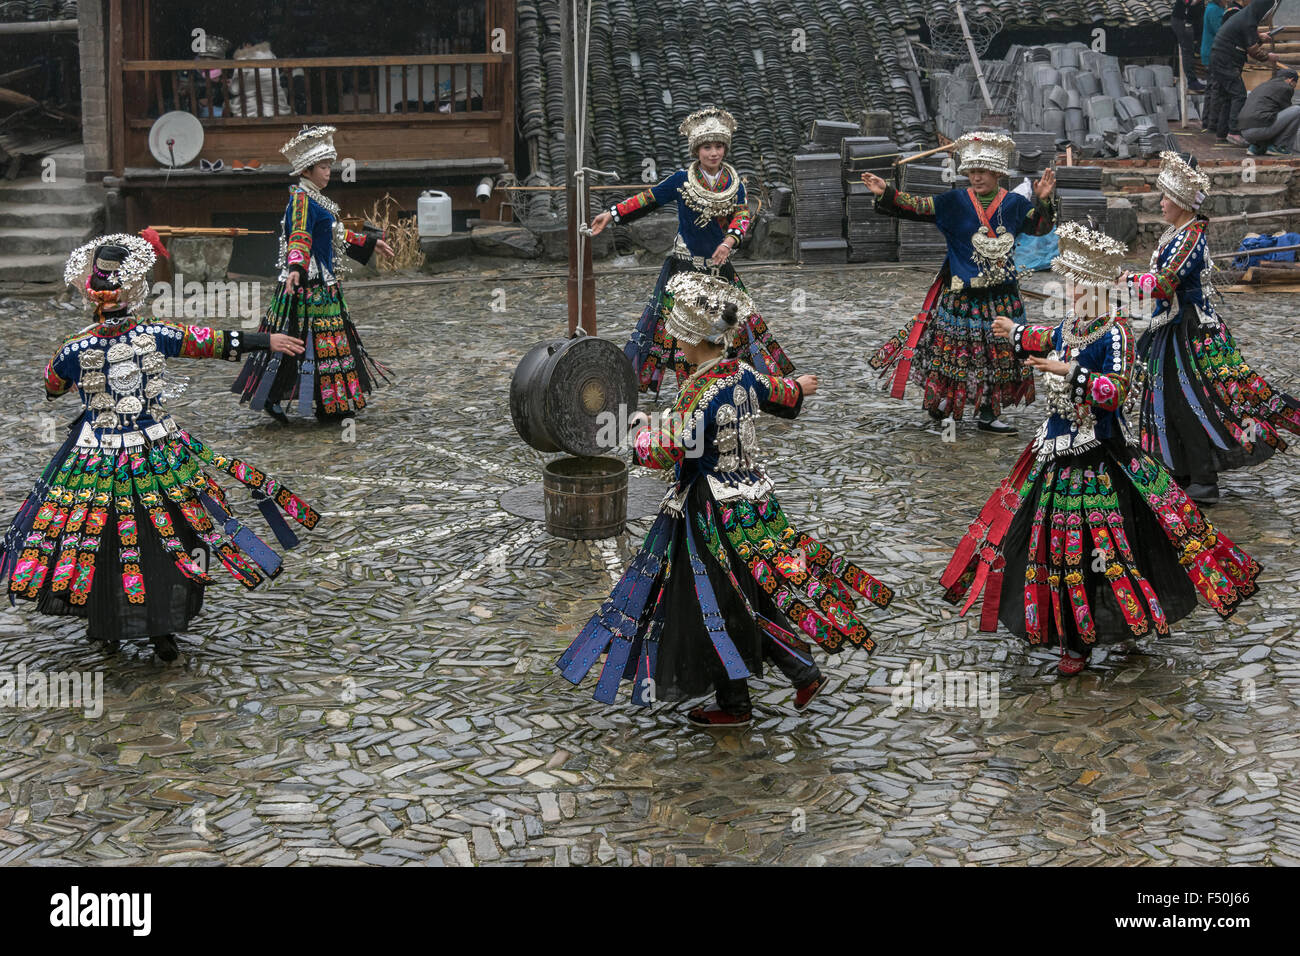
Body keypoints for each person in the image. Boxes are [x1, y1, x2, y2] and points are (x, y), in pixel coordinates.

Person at [557, 272, 894, 727]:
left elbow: (673, 449)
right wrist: (801, 388)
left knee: (716, 598)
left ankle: (763, 689)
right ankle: (769, 686)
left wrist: (637, 435)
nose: (675, 347)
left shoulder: (703, 393)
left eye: (679, 339)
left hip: (710, 512)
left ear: (695, 341)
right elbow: (779, 394)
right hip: (752, 500)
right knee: (740, 591)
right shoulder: (739, 374)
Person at [941, 221, 1260, 676]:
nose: (1070, 292)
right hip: (1055, 452)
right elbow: (1048, 338)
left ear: (1101, 291)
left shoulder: (1116, 335)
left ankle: (1105, 628)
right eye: (1069, 284)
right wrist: (1015, 331)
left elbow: (1116, 389)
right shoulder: (1075, 326)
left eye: (1079, 285)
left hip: (1100, 457)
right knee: (1052, 545)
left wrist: (1070, 373)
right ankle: (1072, 634)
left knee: (1110, 545)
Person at [1, 235, 320, 662]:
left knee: (102, 537)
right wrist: (266, 341)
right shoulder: (155, 334)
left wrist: (78, 380)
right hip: (158, 454)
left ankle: (109, 626)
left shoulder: (72, 348)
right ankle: (162, 629)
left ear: (91, 295)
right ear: (133, 291)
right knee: (163, 534)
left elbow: (51, 386)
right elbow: (211, 341)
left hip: (97, 460)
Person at [1130, 151, 1300, 503]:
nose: (1160, 203)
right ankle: (1182, 469)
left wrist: (1127, 278)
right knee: (1168, 399)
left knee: (1190, 401)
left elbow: (1165, 284)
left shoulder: (1192, 237)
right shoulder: (1176, 233)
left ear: (1180, 201)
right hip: (1170, 328)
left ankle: (1204, 479)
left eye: (1165, 197)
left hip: (1189, 332)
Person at [588, 107, 795, 395]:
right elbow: (648, 198)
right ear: (697, 150)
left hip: (719, 266)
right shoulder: (680, 180)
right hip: (684, 266)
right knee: (681, 329)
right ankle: (691, 388)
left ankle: (757, 384)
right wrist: (612, 214)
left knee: (737, 323)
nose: (714, 153)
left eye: (719, 146)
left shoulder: (735, 185)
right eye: (707, 147)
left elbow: (741, 216)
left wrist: (728, 242)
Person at [864, 131, 1057, 434]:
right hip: (962, 295)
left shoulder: (1016, 204)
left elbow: (1040, 227)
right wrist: (887, 192)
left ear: (997, 173)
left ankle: (989, 412)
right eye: (971, 172)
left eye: (982, 172)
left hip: (1002, 296)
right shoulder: (954, 201)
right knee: (953, 352)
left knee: (998, 354)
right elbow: (919, 206)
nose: (976, 178)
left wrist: (1044, 200)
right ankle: (943, 406)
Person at [232, 125, 395, 423]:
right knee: (307, 341)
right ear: (306, 170)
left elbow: (337, 235)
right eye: (323, 166)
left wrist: (371, 243)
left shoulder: (317, 199)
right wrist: (296, 267)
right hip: (308, 284)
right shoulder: (302, 200)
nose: (328, 171)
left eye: (329, 166)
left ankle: (325, 401)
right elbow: (300, 235)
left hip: (322, 284)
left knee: (312, 341)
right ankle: (314, 400)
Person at [1208, 0, 1282, 147]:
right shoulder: (1248, 20)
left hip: (1220, 57)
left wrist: (1260, 37)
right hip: (1226, 59)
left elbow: (1244, 38)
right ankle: (1234, 132)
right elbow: (1252, 50)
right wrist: (1268, 57)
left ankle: (1222, 133)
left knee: (1227, 95)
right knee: (1239, 94)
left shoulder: (1246, 17)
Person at [1239, 68, 1300, 154]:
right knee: (1297, 111)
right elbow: (1286, 115)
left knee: (1269, 115)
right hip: (1259, 129)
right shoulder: (1286, 87)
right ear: (1290, 80)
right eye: (1295, 84)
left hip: (1244, 132)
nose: (1294, 86)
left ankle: (1257, 147)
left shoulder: (1263, 85)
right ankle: (1280, 147)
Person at [1171, 1, 1208, 91]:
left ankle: (1203, 74)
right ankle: (1192, 82)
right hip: (1183, 21)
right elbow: (1190, 3)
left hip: (1194, 19)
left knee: (1199, 44)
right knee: (1187, 50)